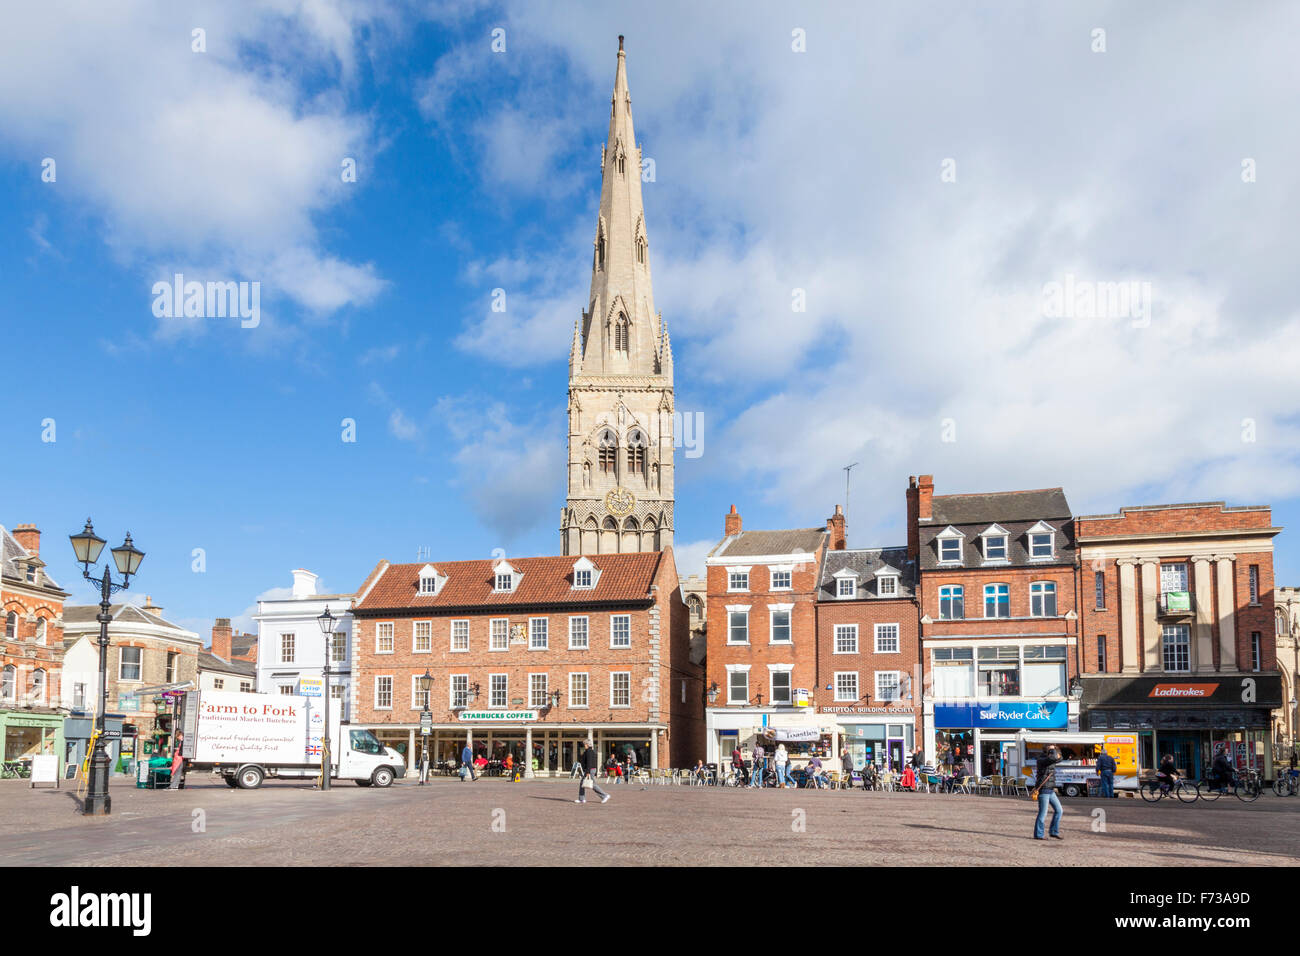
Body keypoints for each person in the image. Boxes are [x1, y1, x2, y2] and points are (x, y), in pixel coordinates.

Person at [1033, 744, 1063, 841]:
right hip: (1044, 790)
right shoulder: (1042, 760)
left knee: (1059, 810)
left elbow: (1060, 758)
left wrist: (1055, 750)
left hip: (1051, 790)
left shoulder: (1050, 758)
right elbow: (1054, 758)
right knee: (1043, 813)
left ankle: (1053, 831)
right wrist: (1052, 750)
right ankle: (1038, 834)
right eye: (1051, 749)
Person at [576, 740, 610, 804]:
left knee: (591, 784)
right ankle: (582, 799)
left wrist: (588, 771)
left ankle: (604, 795)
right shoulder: (590, 751)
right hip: (591, 769)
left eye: (585, 744)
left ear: (587, 744)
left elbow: (589, 762)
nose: (584, 745)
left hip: (590, 770)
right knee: (585, 783)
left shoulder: (589, 752)